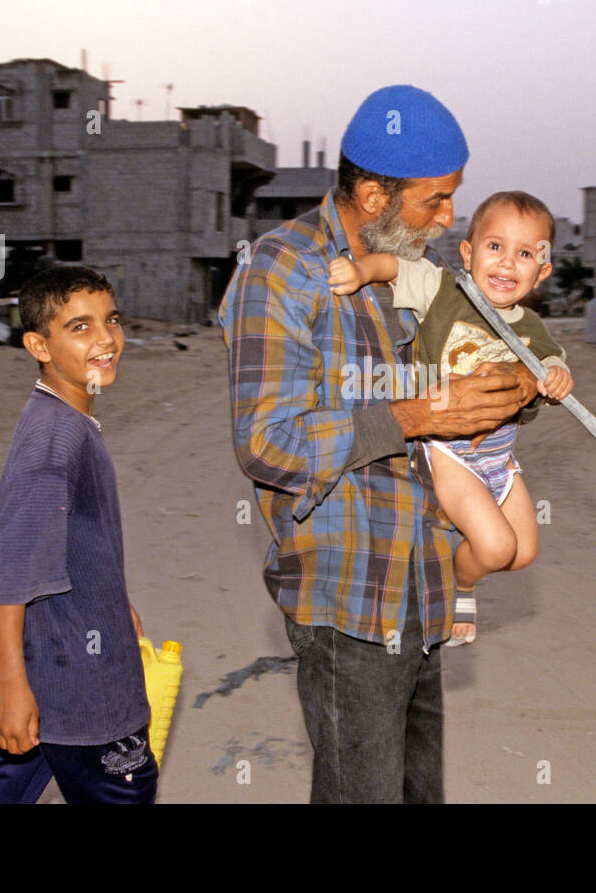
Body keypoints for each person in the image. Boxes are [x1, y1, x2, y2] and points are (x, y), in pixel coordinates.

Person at [218, 85, 539, 803]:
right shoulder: (283, 269)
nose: (450, 217)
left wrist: (512, 389)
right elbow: (266, 444)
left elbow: (466, 396)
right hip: (350, 603)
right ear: (372, 195)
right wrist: (415, 415)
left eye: (455, 197)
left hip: (422, 591)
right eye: (435, 200)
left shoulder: (415, 274)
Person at [0, 264, 156, 804]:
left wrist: (111, 605)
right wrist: (11, 689)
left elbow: (66, 544)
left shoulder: (57, 420)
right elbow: (8, 573)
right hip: (73, 690)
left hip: (37, 666)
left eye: (111, 320)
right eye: (79, 327)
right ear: (39, 344)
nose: (105, 339)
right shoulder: (55, 438)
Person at [327, 190, 572, 645]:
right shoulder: (444, 290)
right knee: (497, 547)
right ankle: (461, 585)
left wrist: (557, 376)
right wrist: (361, 271)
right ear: (468, 251)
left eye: (524, 254)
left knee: (524, 554)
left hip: (500, 459)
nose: (506, 263)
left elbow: (554, 363)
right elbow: (396, 267)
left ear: (541, 272)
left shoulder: (531, 326)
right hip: (449, 453)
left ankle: (463, 567)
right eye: (494, 246)